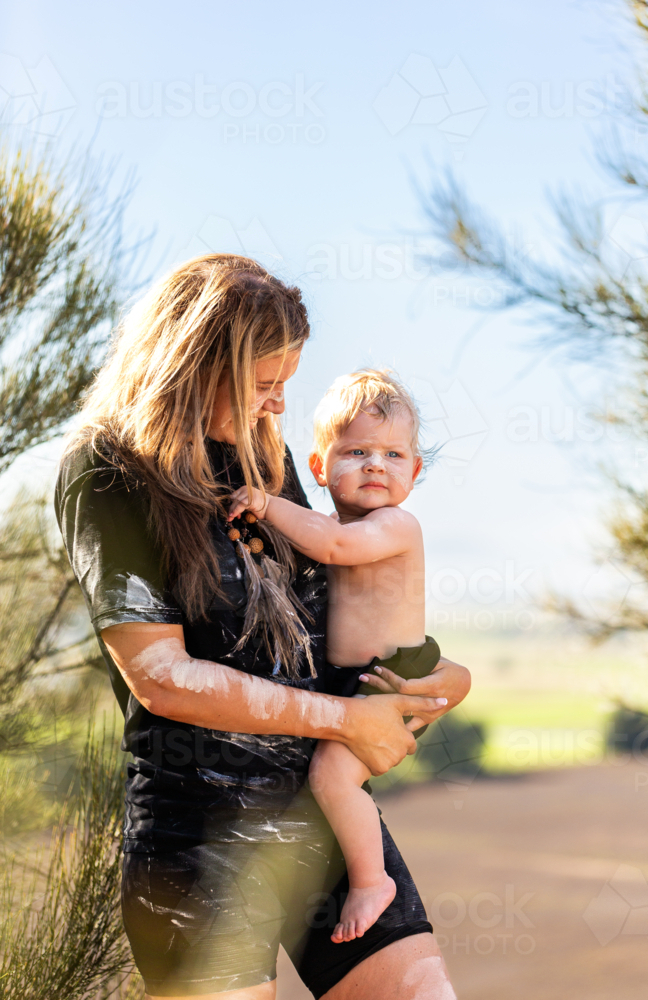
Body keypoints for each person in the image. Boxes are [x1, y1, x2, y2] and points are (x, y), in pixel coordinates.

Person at [55, 253, 470, 1000]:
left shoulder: (261, 451)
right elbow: (162, 680)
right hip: (198, 838)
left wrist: (425, 676)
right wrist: (347, 718)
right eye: (261, 385)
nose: (276, 406)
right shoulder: (104, 470)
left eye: (285, 385)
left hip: (320, 812)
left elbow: (324, 603)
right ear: (191, 365)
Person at [227, 369, 442, 946]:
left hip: (393, 677)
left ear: (414, 473)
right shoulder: (337, 525)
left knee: (332, 777)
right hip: (355, 679)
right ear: (321, 469)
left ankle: (372, 882)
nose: (376, 464)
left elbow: (331, 544)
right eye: (356, 451)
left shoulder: (393, 525)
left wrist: (265, 504)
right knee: (329, 777)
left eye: (394, 454)